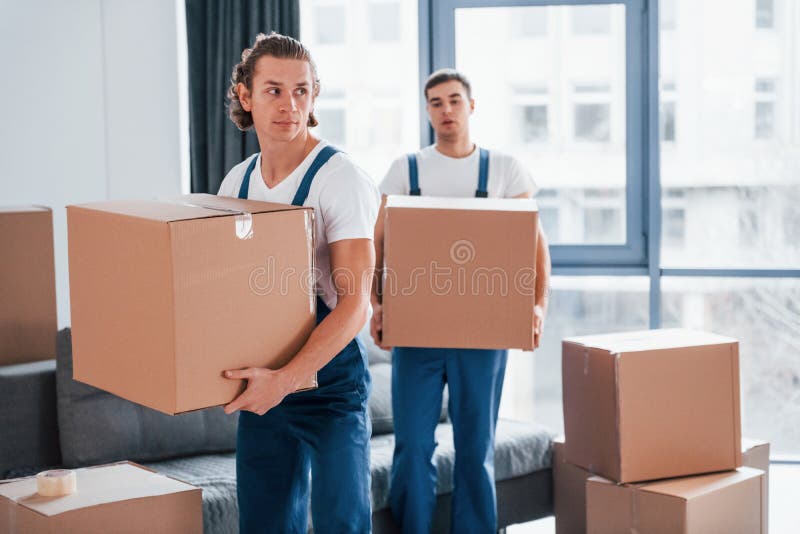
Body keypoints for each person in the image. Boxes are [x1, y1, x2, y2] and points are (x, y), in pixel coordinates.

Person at [371, 68, 552, 533]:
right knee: (413, 447)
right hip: (416, 334)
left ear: (471, 106)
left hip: (484, 335)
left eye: (454, 100)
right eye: (436, 102)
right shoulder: (405, 170)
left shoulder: (505, 170)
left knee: (476, 448)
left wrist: (537, 307)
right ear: (427, 111)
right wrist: (377, 304)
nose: (446, 110)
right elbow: (379, 244)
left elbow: (534, 245)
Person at [217, 32, 378, 533]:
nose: (290, 105)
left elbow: (355, 306)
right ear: (246, 96)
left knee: (341, 523)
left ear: (314, 96)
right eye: (274, 90)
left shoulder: (339, 178)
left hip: (329, 385)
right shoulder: (236, 183)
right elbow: (228, 294)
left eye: (301, 90)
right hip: (263, 380)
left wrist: (286, 380)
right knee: (263, 524)